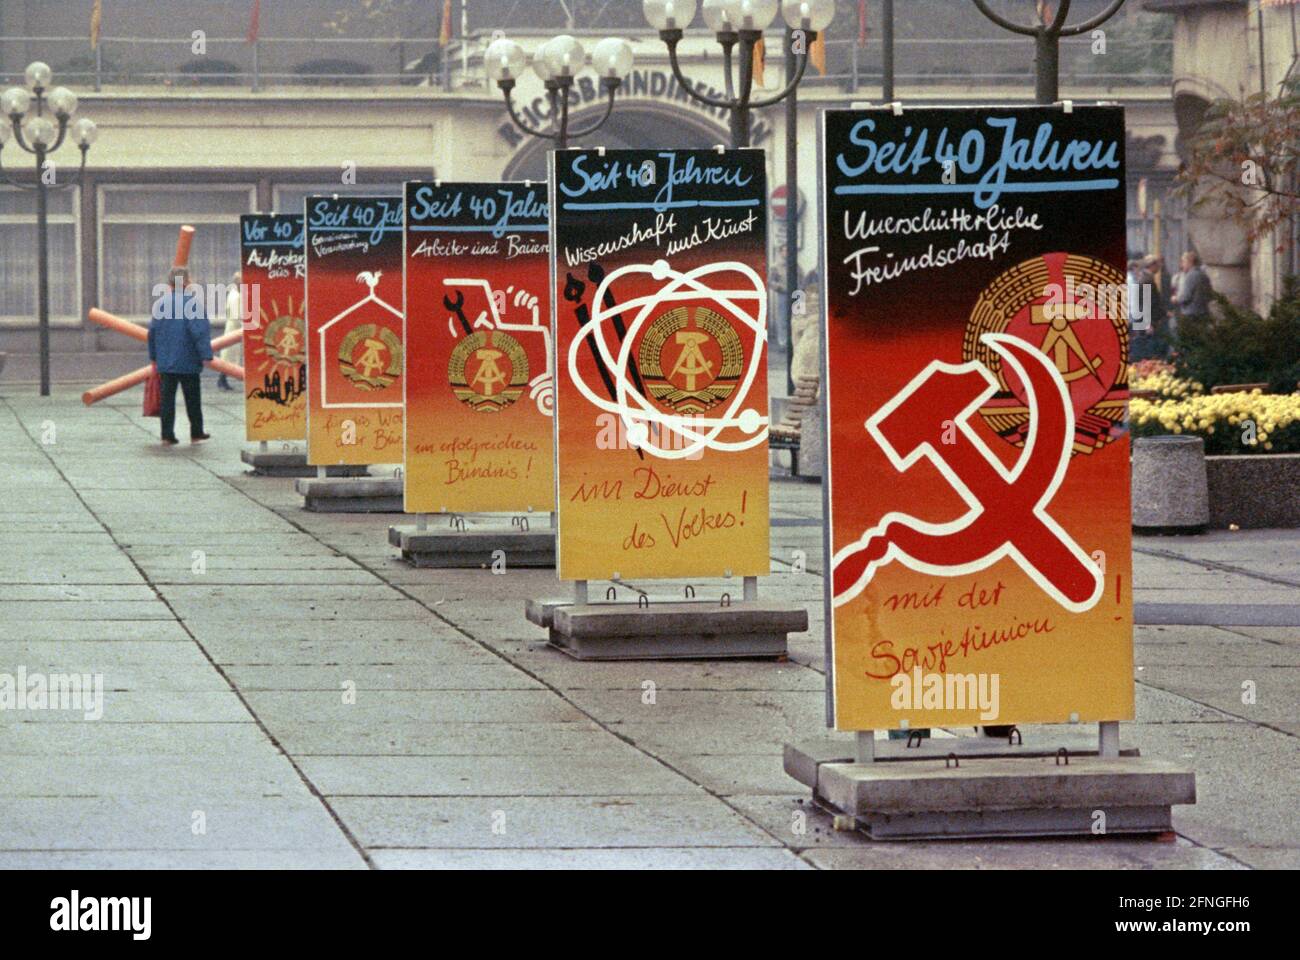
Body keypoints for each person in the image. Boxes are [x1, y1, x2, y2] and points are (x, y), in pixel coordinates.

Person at [147, 268, 213, 446]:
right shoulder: (193, 304)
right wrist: (205, 354)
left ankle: (167, 435)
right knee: (193, 398)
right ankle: (196, 433)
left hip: (166, 361)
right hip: (188, 360)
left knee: (167, 399)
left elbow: (152, 332)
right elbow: (199, 331)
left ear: (170, 283)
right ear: (185, 282)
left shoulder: (160, 305)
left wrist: (154, 356)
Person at [1172, 250, 1213, 326]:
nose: (1182, 265)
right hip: (1203, 313)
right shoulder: (1204, 275)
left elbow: (1185, 297)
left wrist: (1176, 299)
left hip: (1191, 314)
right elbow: (1210, 295)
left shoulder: (1190, 276)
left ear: (1190, 262)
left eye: (1183, 262)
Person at [217, 271, 242, 391]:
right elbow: (236, 314)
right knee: (228, 355)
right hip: (234, 328)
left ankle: (223, 378)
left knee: (230, 355)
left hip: (235, 327)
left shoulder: (236, 293)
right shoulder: (235, 296)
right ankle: (222, 379)